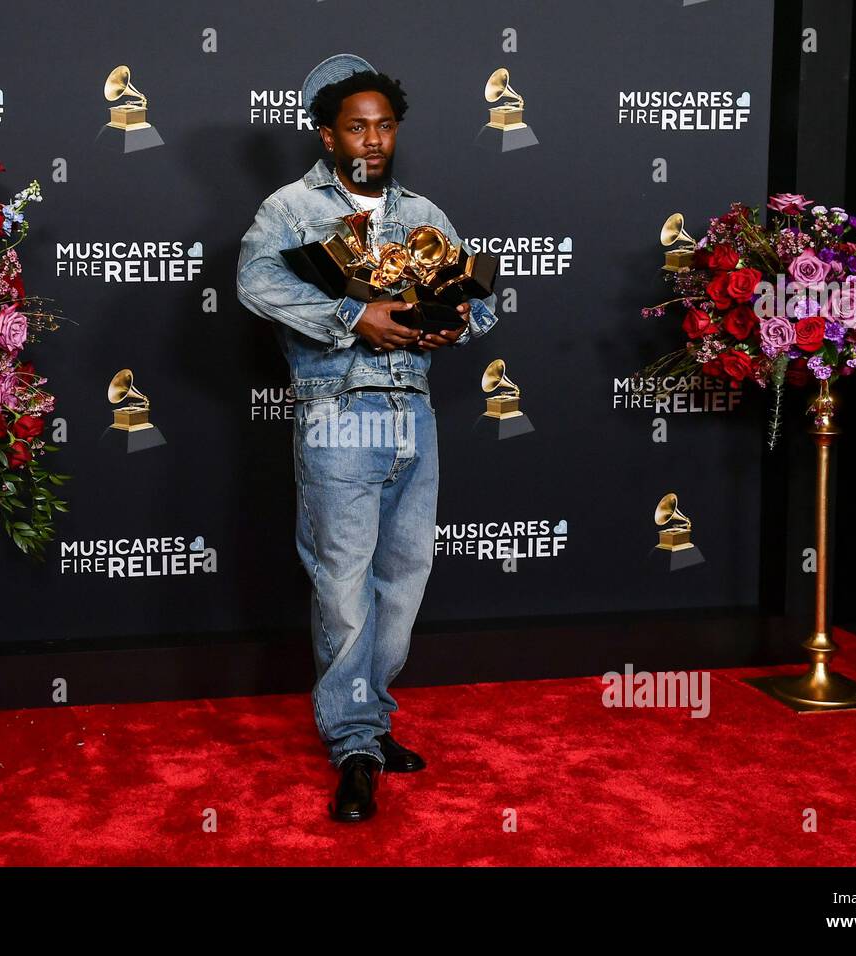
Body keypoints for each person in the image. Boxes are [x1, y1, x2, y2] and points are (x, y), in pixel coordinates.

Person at [236, 53, 499, 822]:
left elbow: (480, 306)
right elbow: (256, 281)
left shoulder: (424, 214)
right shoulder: (290, 208)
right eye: (357, 126)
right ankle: (353, 743)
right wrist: (355, 316)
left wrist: (452, 320)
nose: (373, 139)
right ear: (328, 136)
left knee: (404, 579)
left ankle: (371, 721)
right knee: (344, 585)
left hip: (413, 413)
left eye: (384, 126)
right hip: (338, 411)